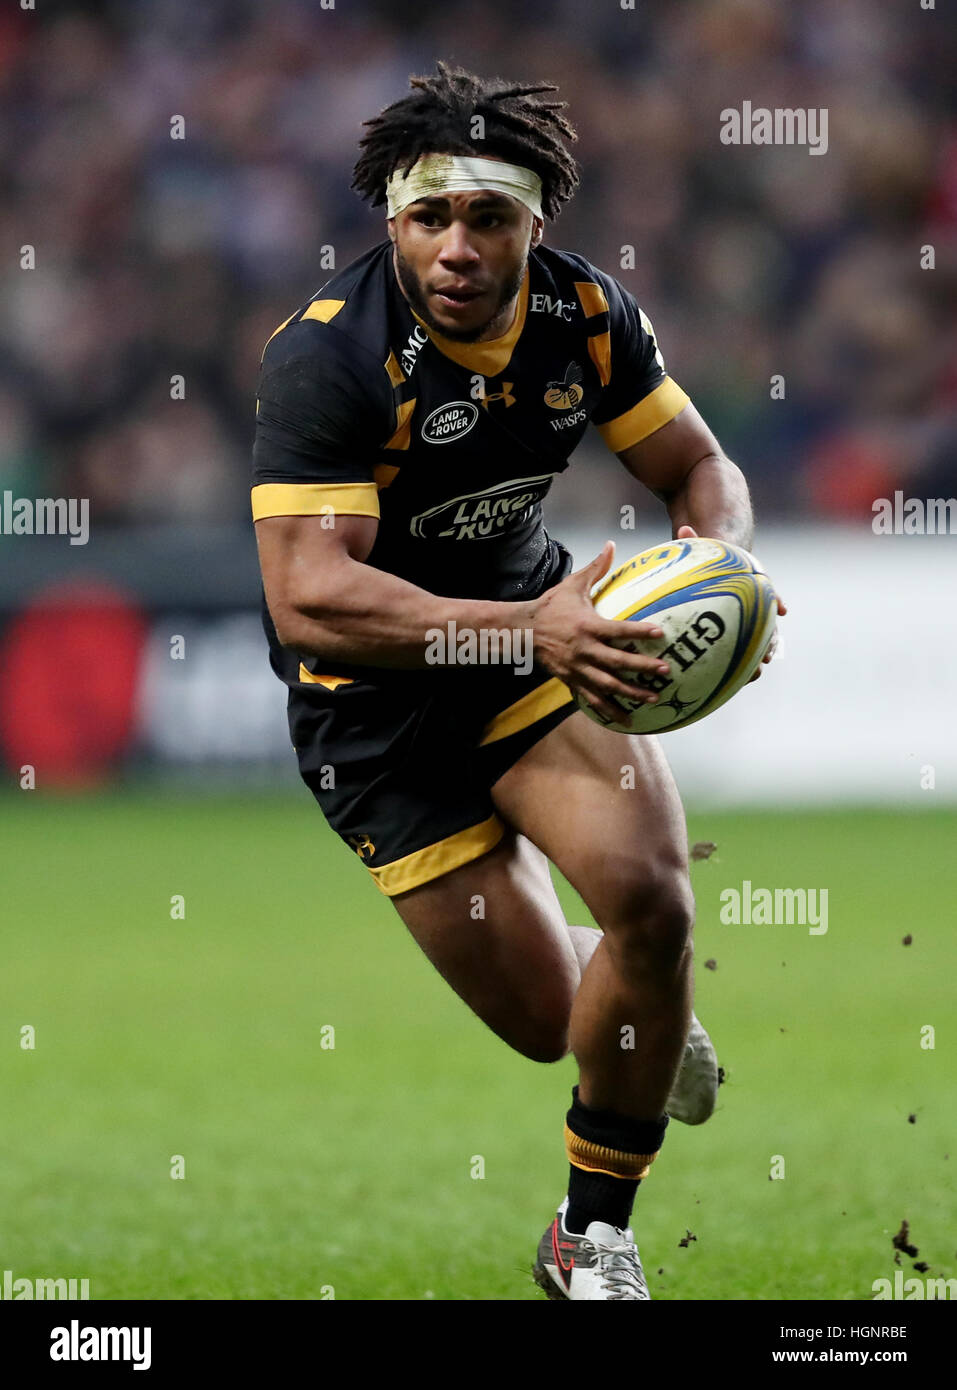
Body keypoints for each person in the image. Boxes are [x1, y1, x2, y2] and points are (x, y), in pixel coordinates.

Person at [252, 62, 782, 1300]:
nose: (455, 247)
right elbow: (311, 596)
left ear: (538, 224)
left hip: (537, 649)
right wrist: (525, 633)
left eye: (489, 217)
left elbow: (701, 469)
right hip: (372, 704)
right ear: (390, 218)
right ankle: (610, 980)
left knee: (656, 899)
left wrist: (724, 573)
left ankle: (587, 1236)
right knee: (550, 1023)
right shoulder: (327, 361)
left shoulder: (586, 313)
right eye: (429, 217)